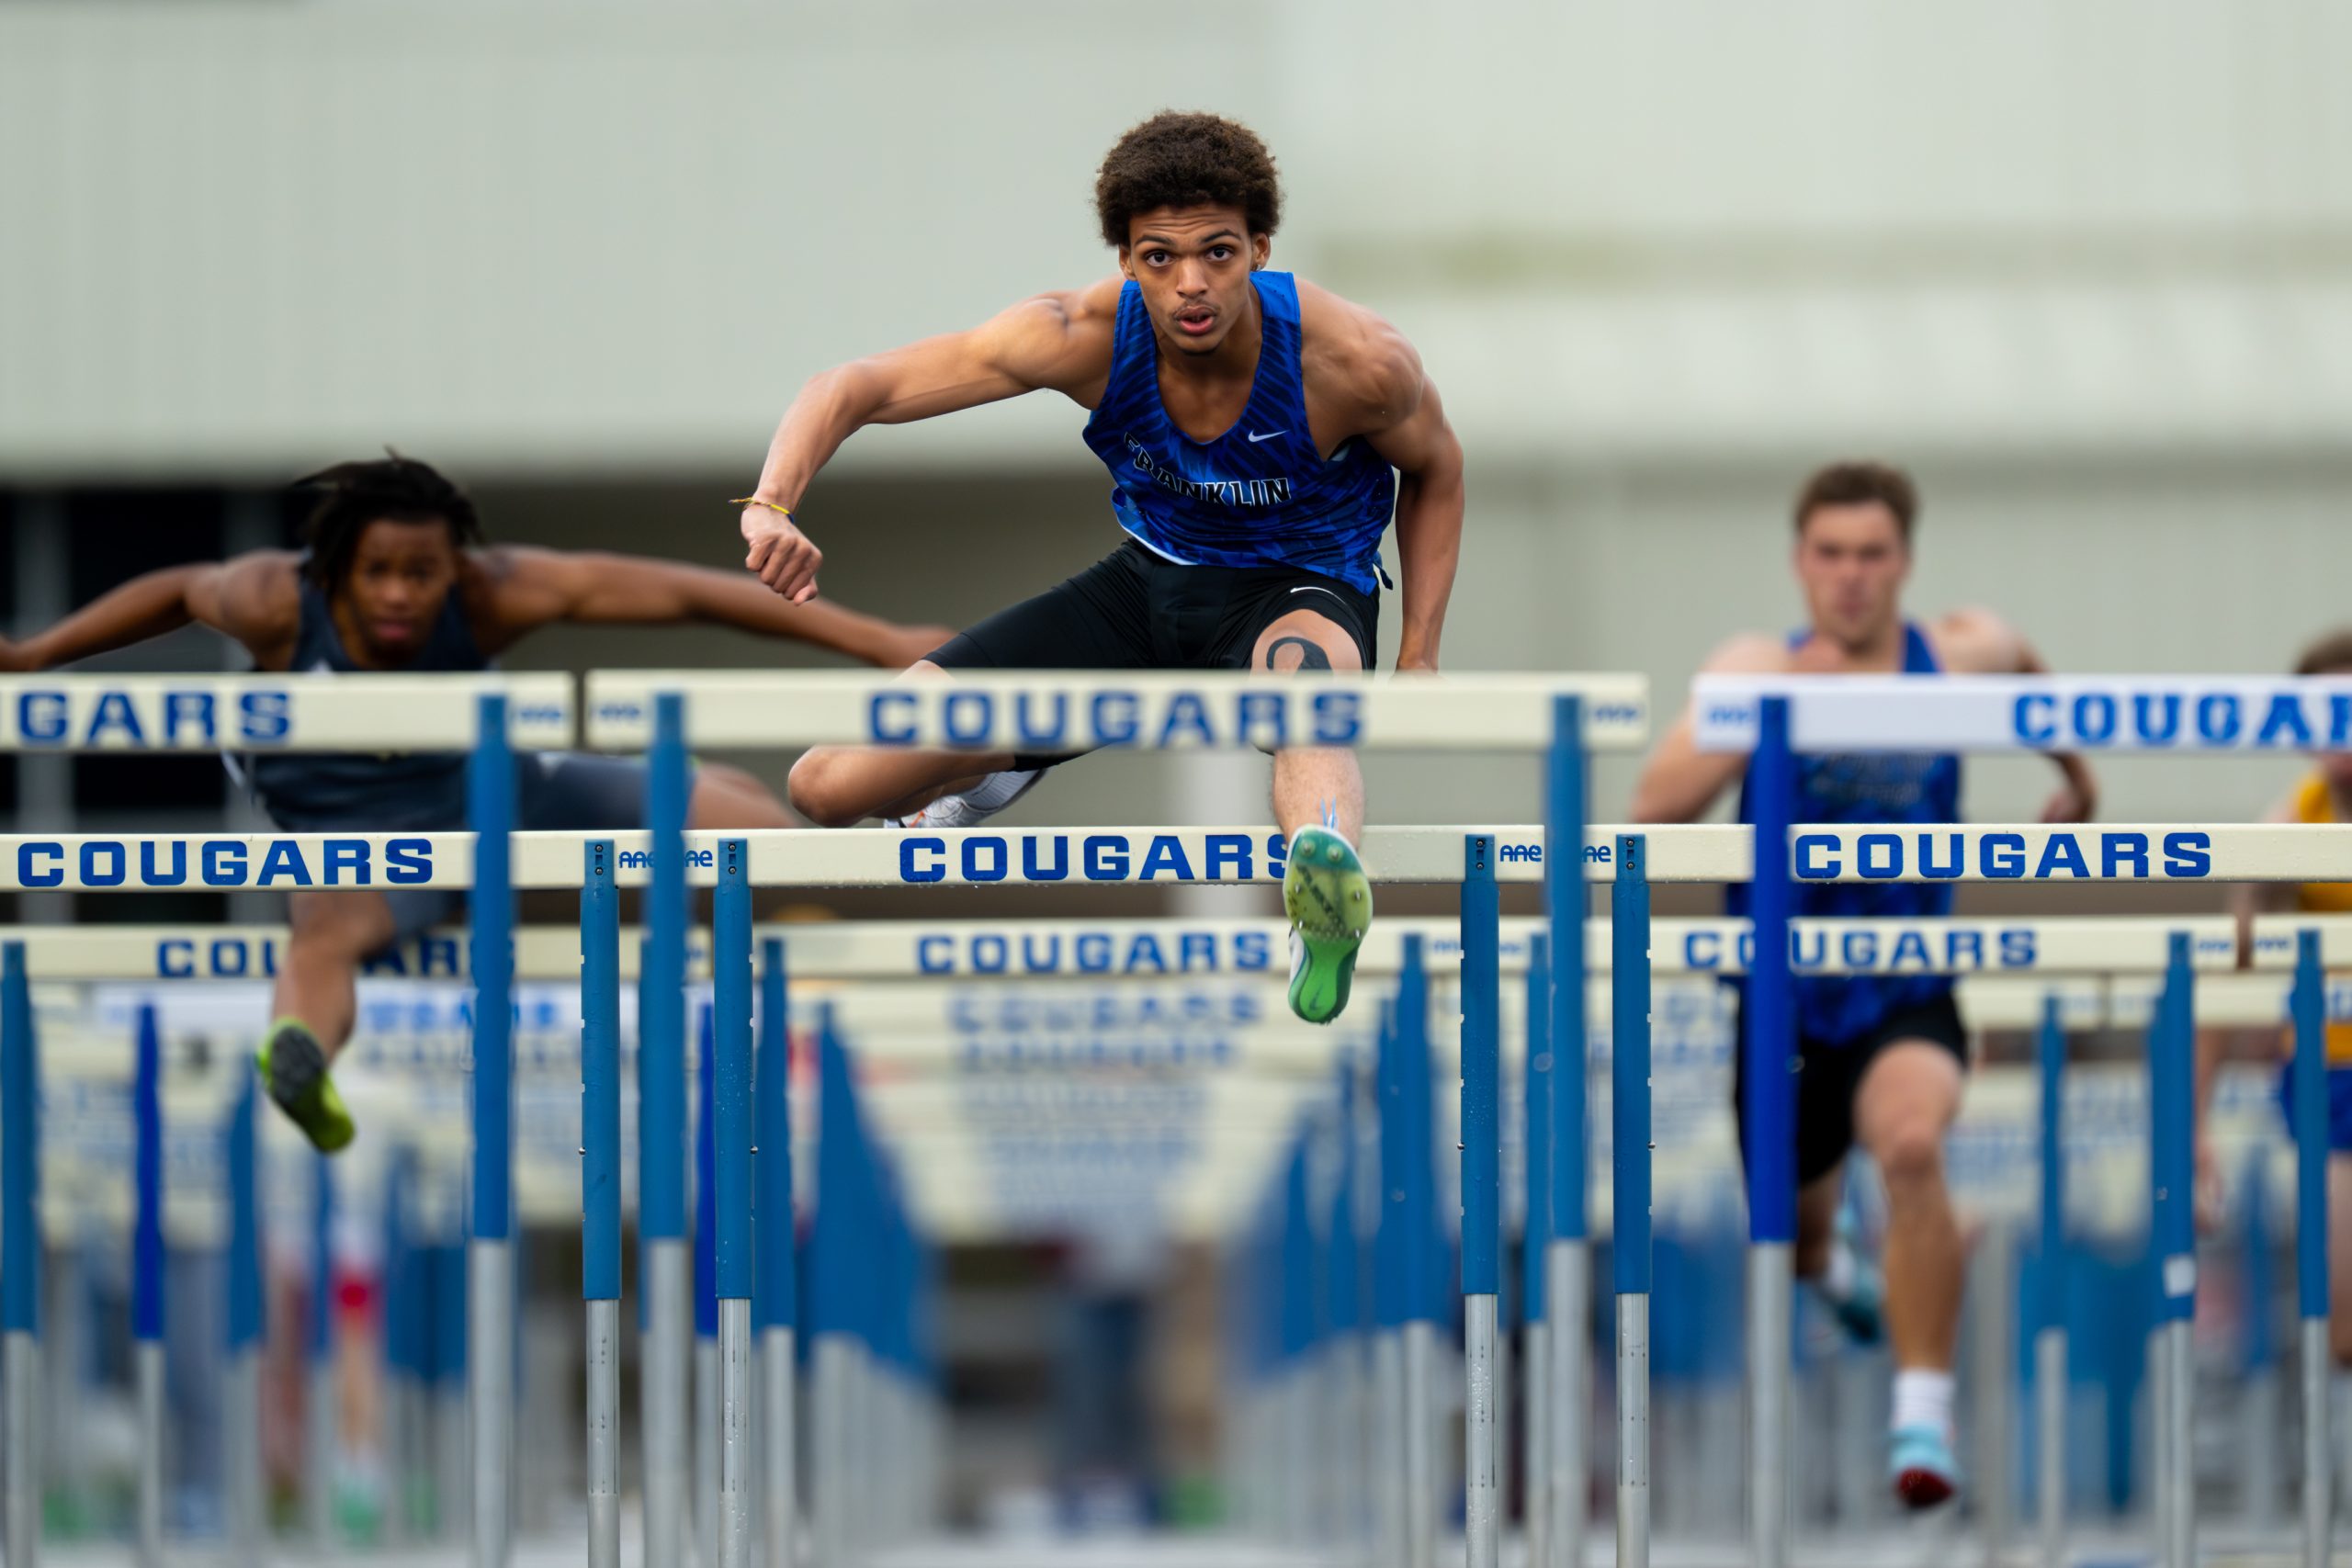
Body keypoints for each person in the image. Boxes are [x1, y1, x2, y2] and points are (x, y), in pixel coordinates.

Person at [729, 111, 1464, 1026]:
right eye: (1159, 258)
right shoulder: (1073, 335)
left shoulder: (1353, 363)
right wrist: (771, 504)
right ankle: (992, 770)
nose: (1191, 286)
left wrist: (1420, 652)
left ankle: (1321, 893)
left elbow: (1434, 468)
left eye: (1218, 254)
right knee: (826, 787)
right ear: (1124, 260)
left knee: (1303, 701)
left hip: (1295, 586)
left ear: (1261, 250)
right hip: (1141, 587)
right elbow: (853, 387)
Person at [0, 454, 948, 1153]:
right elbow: (172, 591)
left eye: (425, 573)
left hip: (489, 784)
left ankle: (847, 916)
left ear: (455, 566)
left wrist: (877, 640)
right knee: (325, 933)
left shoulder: (494, 591)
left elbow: (685, 593)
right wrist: (37, 656)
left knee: (731, 816)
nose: (405, 595)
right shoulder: (272, 600)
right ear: (334, 573)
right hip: (354, 831)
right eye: (380, 574)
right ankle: (298, 1056)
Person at [1632, 459, 2098, 1506]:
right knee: (1790, 1238)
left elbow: (2025, 663)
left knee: (1914, 1147)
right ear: (1800, 564)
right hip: (1782, 1005)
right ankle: (1833, 1266)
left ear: (1904, 564)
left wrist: (2074, 776)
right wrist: (1768, 713)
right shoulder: (1757, 662)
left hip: (1904, 985)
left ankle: (1920, 1421)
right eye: (1830, 556)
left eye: (1871, 556)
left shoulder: (1954, 655)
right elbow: (1651, 810)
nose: (1850, 577)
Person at [2195, 628, 2352, 1358]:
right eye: (2324, 715)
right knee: (2343, 1319)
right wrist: (2192, 1126)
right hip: (2336, 1078)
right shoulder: (2291, 821)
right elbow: (2227, 968)